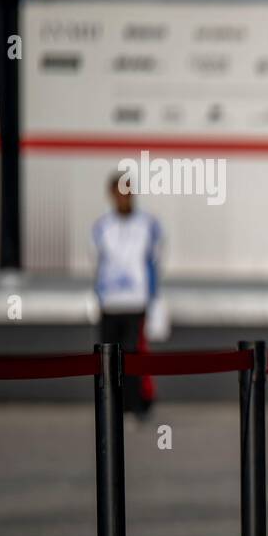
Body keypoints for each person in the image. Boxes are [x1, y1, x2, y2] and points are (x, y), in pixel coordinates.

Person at [92, 172, 163, 419]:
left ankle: (136, 406)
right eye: (119, 192)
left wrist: (155, 302)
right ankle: (112, 407)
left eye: (127, 191)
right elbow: (97, 264)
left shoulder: (148, 224)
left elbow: (153, 263)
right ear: (111, 194)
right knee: (109, 359)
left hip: (136, 302)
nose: (123, 197)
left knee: (134, 356)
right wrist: (96, 297)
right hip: (110, 303)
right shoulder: (102, 227)